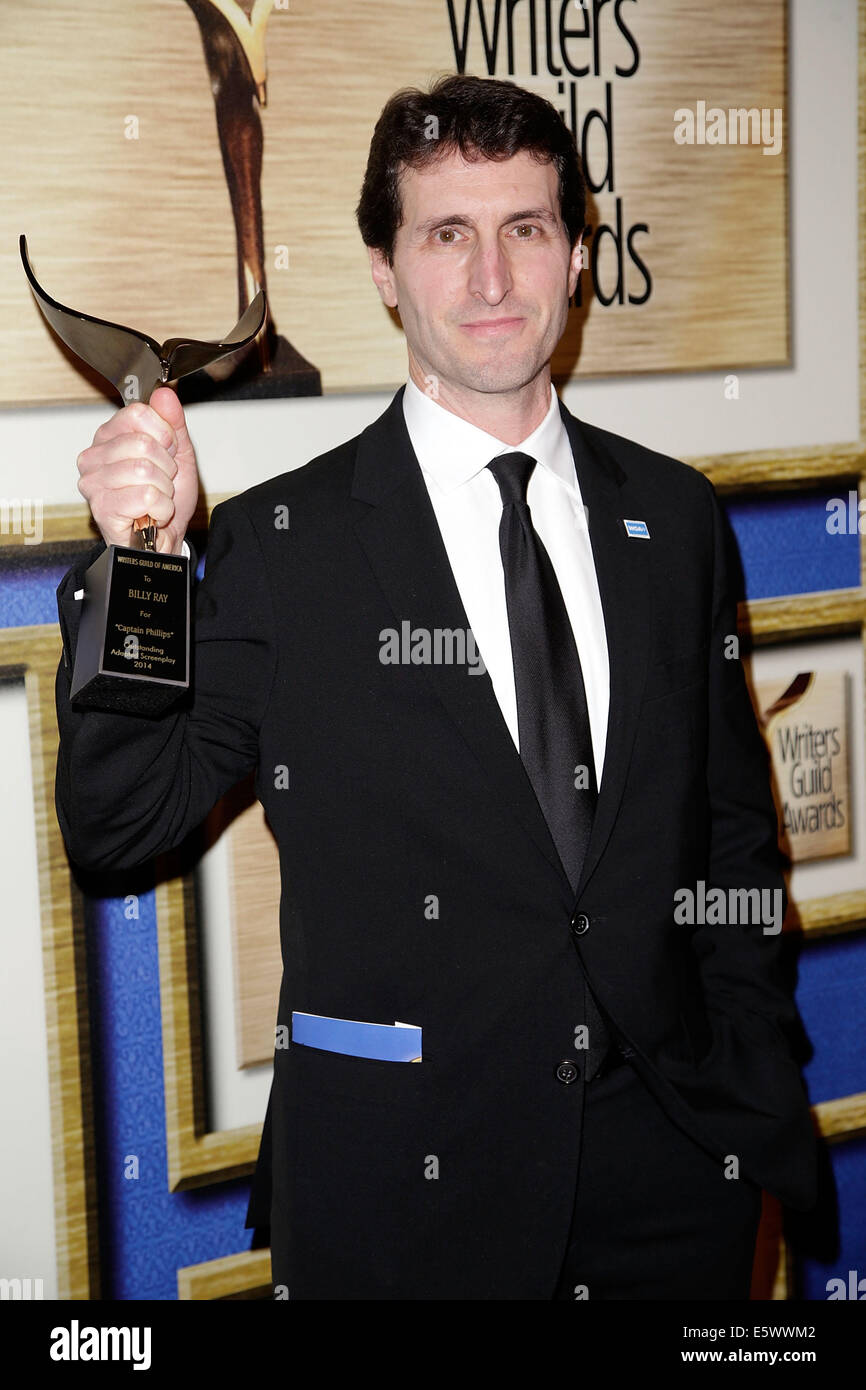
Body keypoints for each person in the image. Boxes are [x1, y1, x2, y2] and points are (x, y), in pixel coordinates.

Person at [55, 74, 817, 1300]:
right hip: (399, 1214)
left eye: (525, 228)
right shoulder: (282, 544)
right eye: (445, 234)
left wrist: (745, 1075)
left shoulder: (673, 518)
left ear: (575, 256)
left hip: (674, 1190)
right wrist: (144, 557)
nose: (490, 279)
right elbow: (116, 824)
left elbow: (729, 843)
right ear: (381, 269)